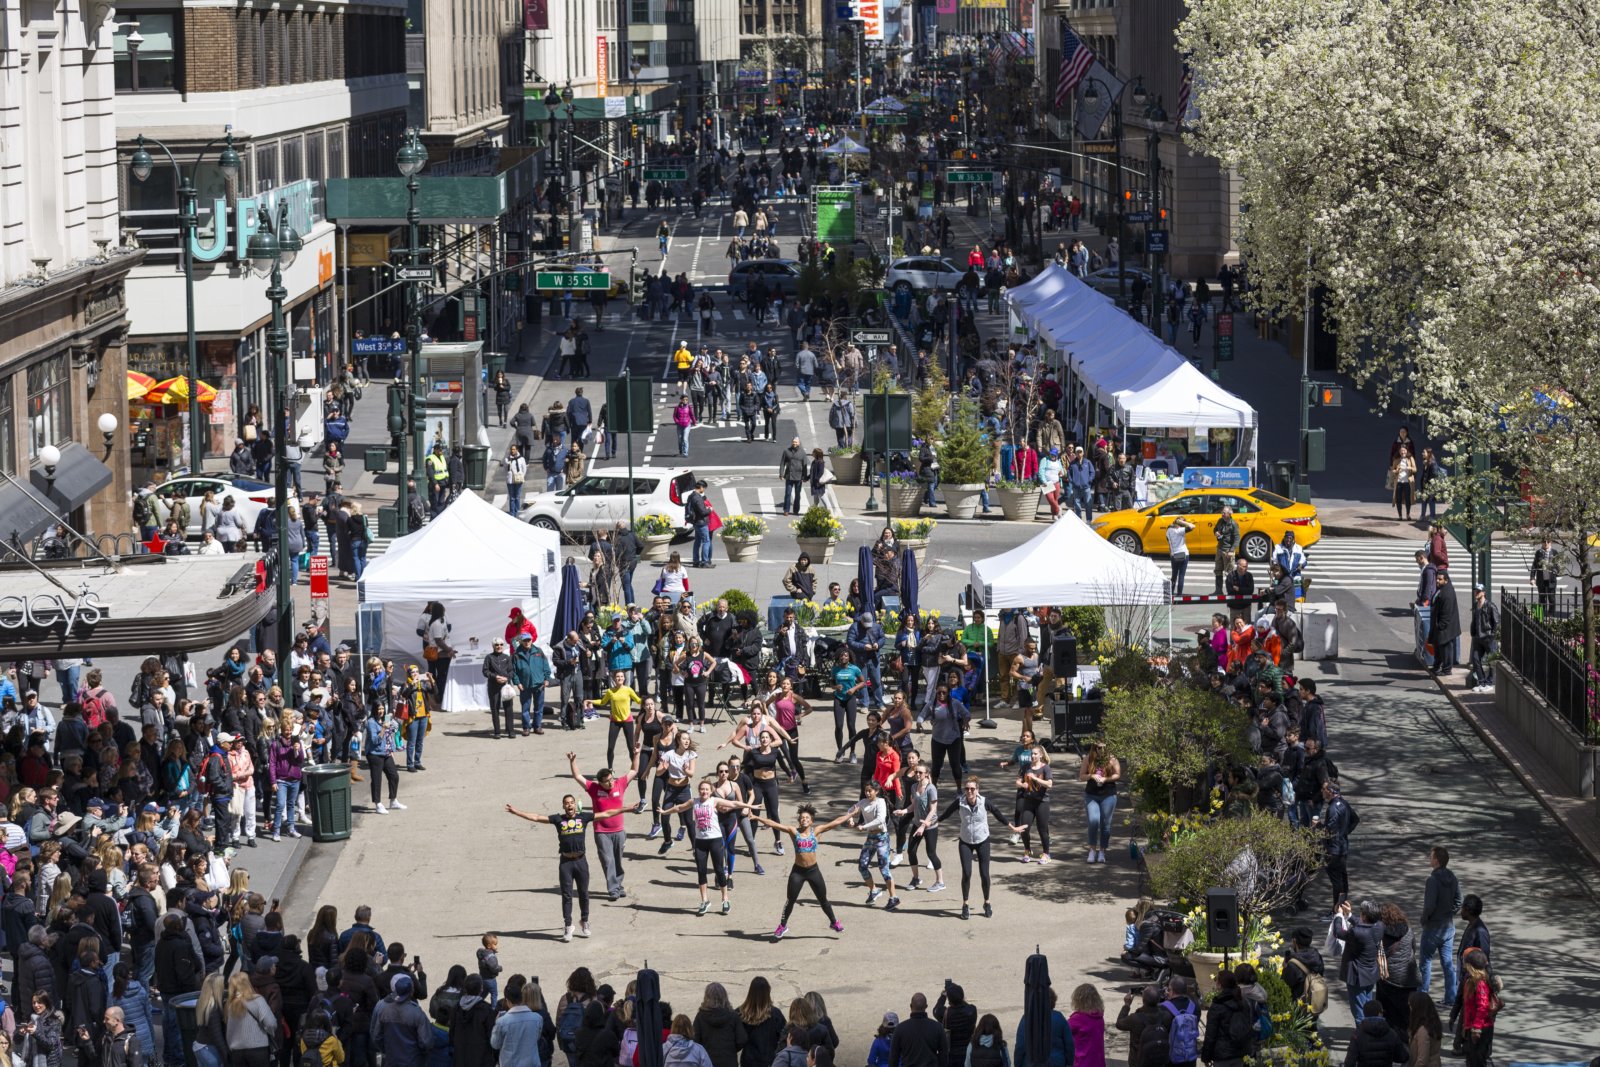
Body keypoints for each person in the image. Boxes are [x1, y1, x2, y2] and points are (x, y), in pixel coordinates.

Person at [505, 796, 596, 941]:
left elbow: (606, 814)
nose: (569, 805)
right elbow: (535, 817)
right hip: (566, 863)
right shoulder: (558, 819)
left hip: (581, 861)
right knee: (566, 895)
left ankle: (584, 921)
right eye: (566, 804)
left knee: (583, 893)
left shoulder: (583, 817)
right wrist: (516, 812)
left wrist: (627, 809)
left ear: (575, 805)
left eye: (572, 803)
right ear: (563, 806)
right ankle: (568, 926)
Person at [566, 751, 640, 902]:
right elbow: (578, 777)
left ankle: (619, 885)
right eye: (607, 781)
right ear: (600, 782)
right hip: (602, 832)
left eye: (611, 779)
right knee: (607, 860)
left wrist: (636, 754)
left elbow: (634, 770)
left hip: (619, 830)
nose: (611, 783)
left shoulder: (620, 784)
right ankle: (613, 889)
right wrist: (573, 761)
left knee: (618, 860)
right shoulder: (594, 789)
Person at [1418, 845, 1462, 1007]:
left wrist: (1424, 919)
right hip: (1448, 927)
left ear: (1436, 861)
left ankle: (1423, 995)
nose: (1429, 859)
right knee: (1448, 963)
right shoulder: (1453, 877)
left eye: (1431, 857)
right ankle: (1451, 997)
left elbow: (1429, 906)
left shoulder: (1432, 880)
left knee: (1425, 962)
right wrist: (1449, 912)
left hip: (1433, 928)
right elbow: (1459, 900)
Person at [1012, 988, 1073, 1067]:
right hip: (1056, 1062)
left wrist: (1017, 1064)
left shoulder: (1026, 1019)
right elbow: (1069, 1044)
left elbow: (1020, 1046)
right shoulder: (1059, 1017)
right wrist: (1069, 1062)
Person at [888, 993, 948, 1067]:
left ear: (910, 1006)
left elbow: (893, 1058)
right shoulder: (938, 1027)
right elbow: (944, 1055)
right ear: (926, 1006)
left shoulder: (900, 1029)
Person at [1428, 571, 1461, 676]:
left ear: (1446, 580)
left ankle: (1447, 669)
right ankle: (1437, 666)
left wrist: (1440, 626)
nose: (1437, 581)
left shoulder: (1447, 593)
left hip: (1445, 628)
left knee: (1446, 649)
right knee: (1438, 648)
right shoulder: (1441, 589)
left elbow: (1446, 613)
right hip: (1439, 626)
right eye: (1437, 579)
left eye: (1440, 579)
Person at [1065, 987, 1104, 1067]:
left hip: (1082, 1062)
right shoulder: (1099, 1017)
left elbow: (1063, 1031)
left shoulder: (1077, 1019)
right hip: (1099, 1062)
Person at [1407, 993, 1443, 1067]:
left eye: (1411, 1006)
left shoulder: (1422, 1031)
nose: (1410, 1009)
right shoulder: (1433, 1023)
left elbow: (1422, 1061)